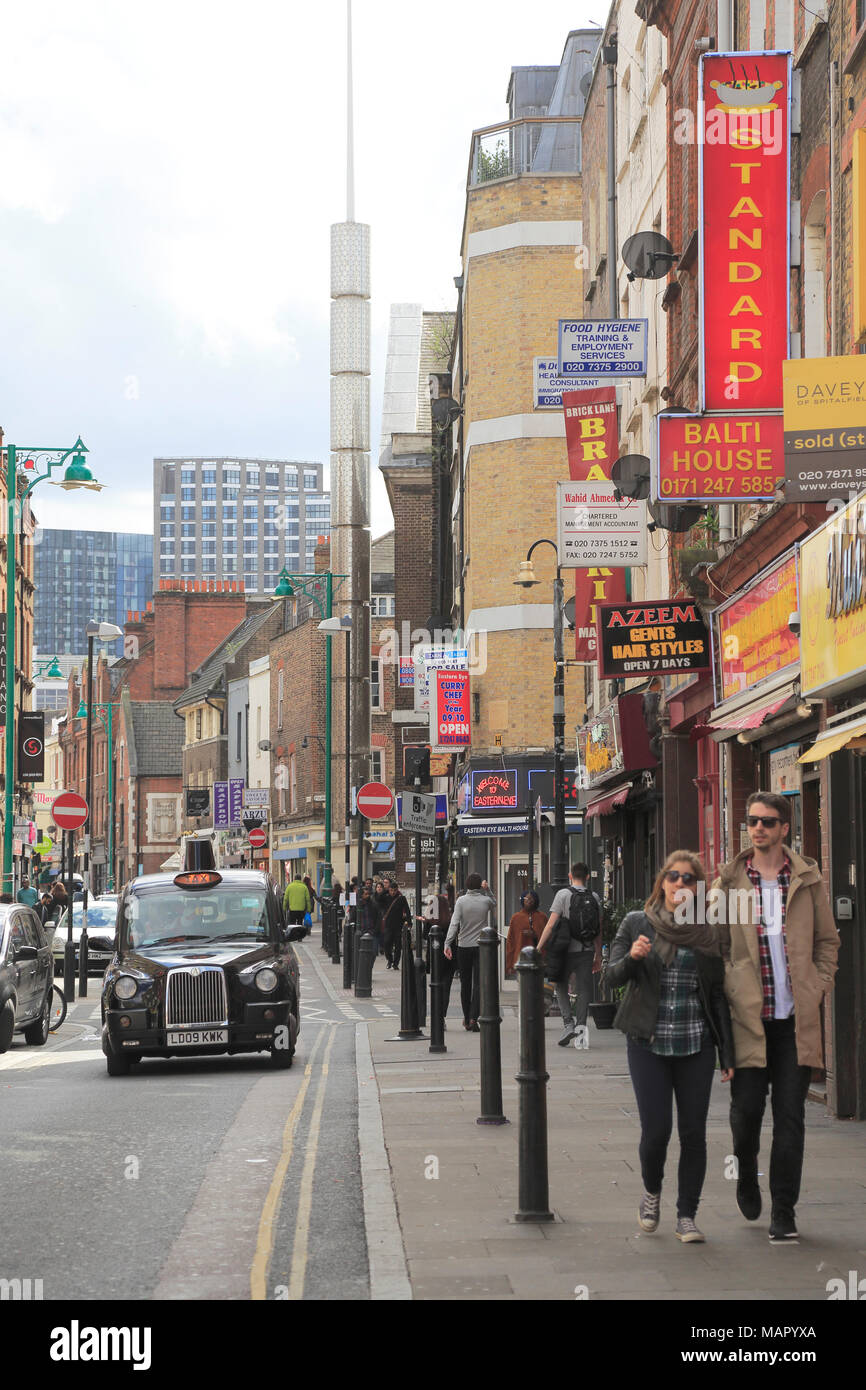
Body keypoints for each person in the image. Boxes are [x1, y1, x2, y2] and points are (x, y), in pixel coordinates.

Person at [713, 791, 839, 1243]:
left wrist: (817, 984)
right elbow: (717, 946)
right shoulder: (728, 883)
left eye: (767, 821)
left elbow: (828, 942)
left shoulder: (808, 879)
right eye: (752, 821)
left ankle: (784, 1211)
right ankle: (746, 1172)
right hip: (748, 1022)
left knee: (791, 1120)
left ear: (785, 827)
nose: (758, 828)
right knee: (745, 1115)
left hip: (794, 1023)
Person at [607, 851, 734, 1244]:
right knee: (657, 1131)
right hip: (648, 1042)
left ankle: (687, 1215)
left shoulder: (708, 931)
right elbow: (610, 978)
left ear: (698, 888)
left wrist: (727, 1054)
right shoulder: (636, 924)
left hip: (695, 1043)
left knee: (694, 1133)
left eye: (690, 879)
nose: (681, 884)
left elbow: (717, 996)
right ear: (662, 883)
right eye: (674, 877)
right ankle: (651, 1192)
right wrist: (633, 958)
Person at [536, 863, 603, 1046]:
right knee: (583, 991)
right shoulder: (595, 897)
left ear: (570, 875)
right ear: (588, 877)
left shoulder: (563, 895)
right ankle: (581, 1032)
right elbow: (599, 929)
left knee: (560, 985)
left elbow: (550, 925)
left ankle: (568, 1024)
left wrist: (538, 948)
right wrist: (598, 954)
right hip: (587, 950)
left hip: (565, 951)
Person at [443, 874, 495, 1031]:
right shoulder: (485, 900)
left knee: (465, 983)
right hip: (481, 947)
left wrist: (447, 943)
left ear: (466, 885)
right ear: (480, 885)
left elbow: (454, 923)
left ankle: (466, 1017)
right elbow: (495, 903)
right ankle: (474, 1017)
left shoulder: (461, 901)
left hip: (464, 946)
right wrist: (489, 890)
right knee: (479, 983)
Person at [505, 889, 546, 975]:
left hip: (538, 958)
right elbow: (510, 942)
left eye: (531, 899)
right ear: (522, 901)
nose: (529, 901)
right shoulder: (516, 918)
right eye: (526, 899)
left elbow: (547, 939)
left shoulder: (542, 917)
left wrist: (535, 935)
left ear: (536, 901)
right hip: (520, 959)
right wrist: (509, 964)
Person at [382, 880, 411, 969]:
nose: (393, 892)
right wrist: (385, 890)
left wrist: (409, 923)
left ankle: (395, 963)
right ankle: (390, 960)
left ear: (397, 890)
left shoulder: (401, 898)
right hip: (388, 925)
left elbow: (407, 910)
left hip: (398, 925)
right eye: (391, 890)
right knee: (387, 943)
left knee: (398, 945)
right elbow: (378, 898)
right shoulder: (386, 897)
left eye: (394, 890)